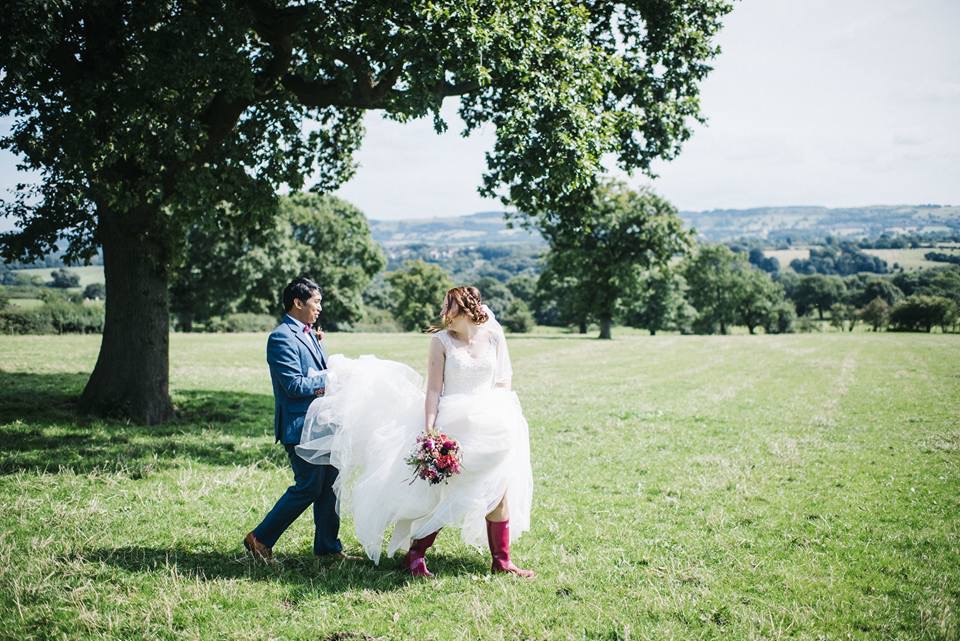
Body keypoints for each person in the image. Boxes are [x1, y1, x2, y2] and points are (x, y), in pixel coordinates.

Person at [296, 286, 534, 578]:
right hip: (452, 422)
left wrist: (497, 414)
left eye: (449, 307)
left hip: (491, 423)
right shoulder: (441, 341)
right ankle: (415, 554)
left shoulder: (494, 336)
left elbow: (503, 381)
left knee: (498, 490)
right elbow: (433, 390)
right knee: (442, 494)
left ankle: (502, 561)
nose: (443, 313)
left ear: (467, 308)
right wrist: (430, 430)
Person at [243, 276, 353, 562]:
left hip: (322, 425)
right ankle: (260, 537)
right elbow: (293, 386)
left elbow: (316, 370)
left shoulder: (310, 332)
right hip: (299, 426)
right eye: (316, 302)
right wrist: (328, 381)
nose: (319, 308)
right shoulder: (280, 338)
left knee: (330, 484)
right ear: (297, 302)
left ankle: (328, 547)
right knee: (309, 486)